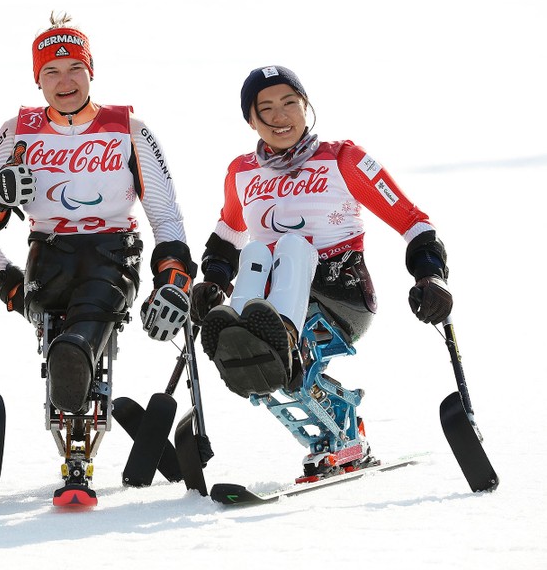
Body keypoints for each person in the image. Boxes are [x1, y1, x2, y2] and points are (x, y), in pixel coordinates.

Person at [0, 12, 196, 504]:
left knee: (93, 310)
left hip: (114, 253)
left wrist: (173, 280)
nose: (64, 82)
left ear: (92, 72)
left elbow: (167, 220)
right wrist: (3, 265)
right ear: (37, 79)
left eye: (75, 69)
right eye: (51, 71)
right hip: (46, 257)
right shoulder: (17, 131)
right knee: (50, 310)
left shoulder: (128, 127)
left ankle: (75, 359)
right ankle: (71, 360)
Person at [190, 65, 453, 479]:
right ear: (251, 120)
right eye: (267, 108)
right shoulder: (241, 172)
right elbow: (229, 233)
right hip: (272, 299)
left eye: (290, 103)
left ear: (306, 106)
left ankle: (282, 338)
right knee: (258, 249)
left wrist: (430, 275)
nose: (281, 116)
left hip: (341, 294)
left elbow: (411, 220)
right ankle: (239, 336)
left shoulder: (343, 159)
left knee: (293, 246)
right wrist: (214, 280)